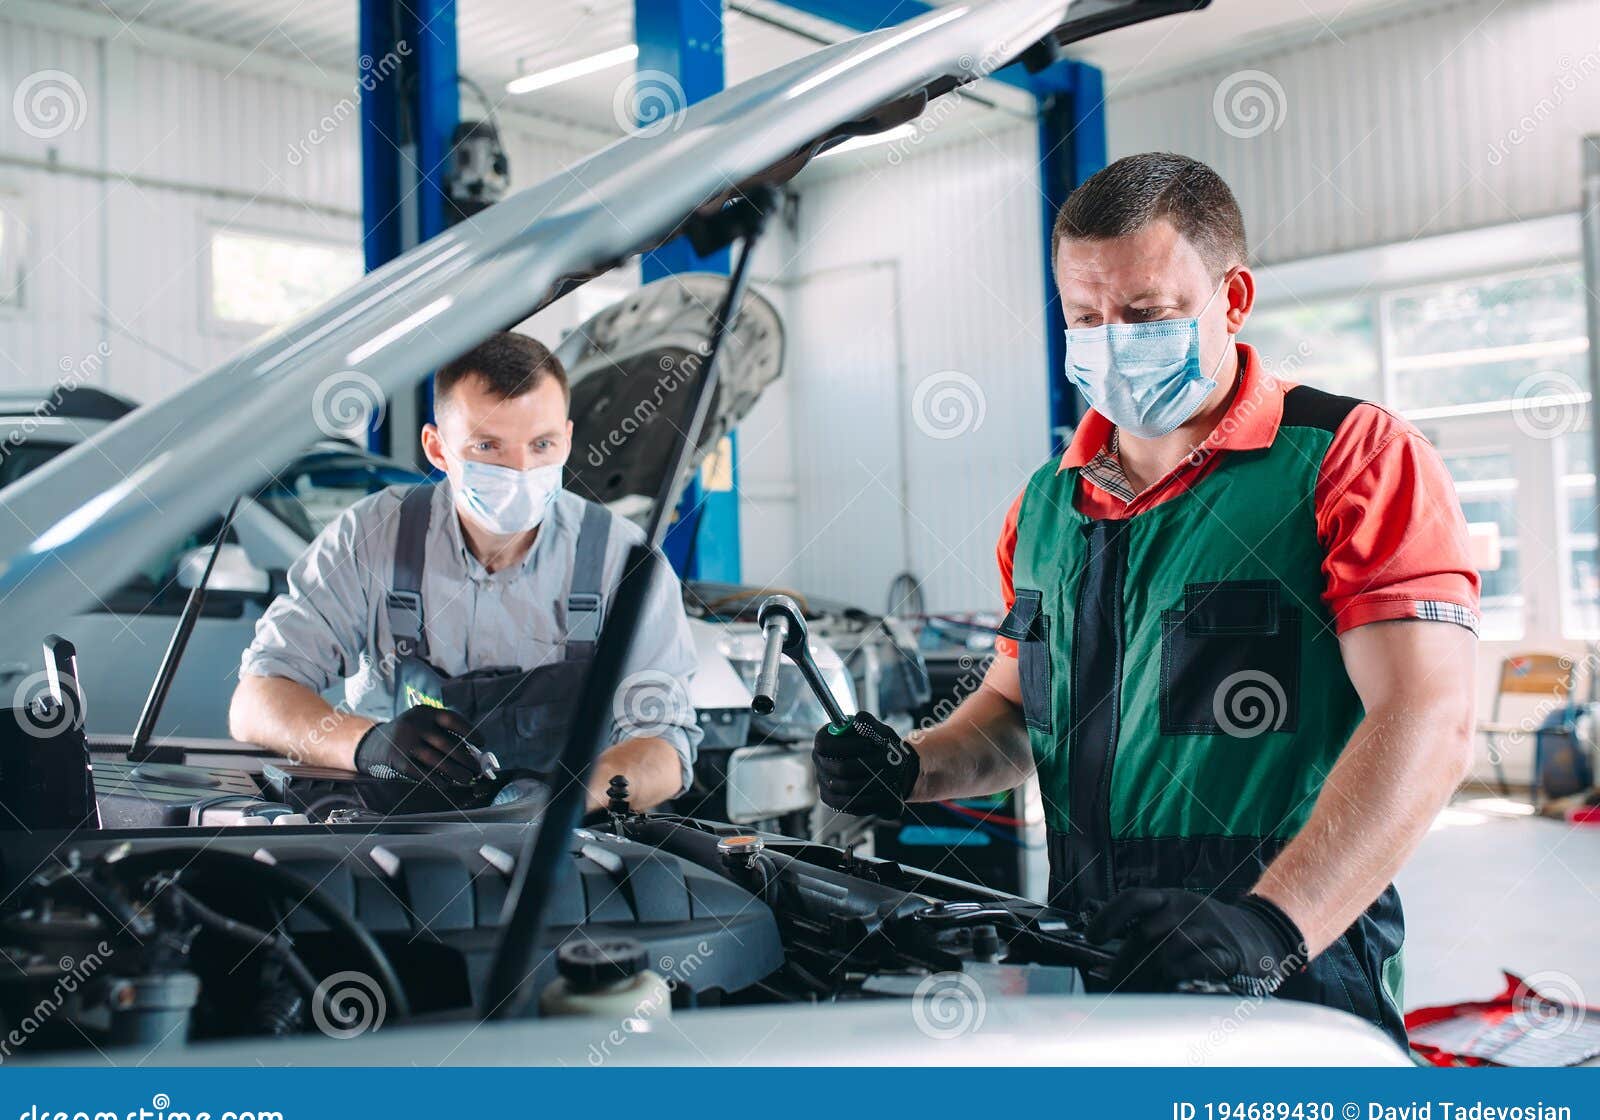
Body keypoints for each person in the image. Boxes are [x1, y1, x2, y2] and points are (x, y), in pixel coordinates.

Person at [811, 152, 1478, 1047]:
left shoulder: (1349, 460)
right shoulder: (1046, 505)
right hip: (1094, 943)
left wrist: (1272, 924)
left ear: (1233, 299)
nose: (1111, 340)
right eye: (1085, 317)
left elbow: (1427, 717)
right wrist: (911, 765)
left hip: (1295, 953)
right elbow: (1018, 714)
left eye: (1145, 313)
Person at [231, 331, 700, 811]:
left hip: (564, 846)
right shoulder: (373, 537)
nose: (520, 471)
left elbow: (664, 746)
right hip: (389, 838)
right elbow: (256, 700)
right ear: (437, 449)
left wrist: (560, 801)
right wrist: (365, 743)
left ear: (569, 438)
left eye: (542, 444)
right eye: (488, 447)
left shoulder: (623, 560)